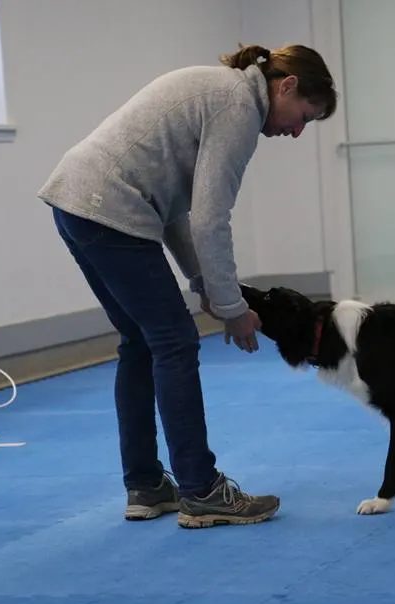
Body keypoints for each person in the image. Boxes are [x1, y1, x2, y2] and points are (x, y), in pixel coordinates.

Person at [37, 43, 337, 528]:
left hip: (75, 203)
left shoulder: (220, 91)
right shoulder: (239, 107)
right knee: (174, 342)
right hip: (109, 208)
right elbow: (211, 219)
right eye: (305, 115)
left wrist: (204, 281)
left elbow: (176, 207)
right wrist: (233, 306)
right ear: (287, 87)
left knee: (141, 342)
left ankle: (147, 485)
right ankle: (200, 489)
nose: (298, 131)